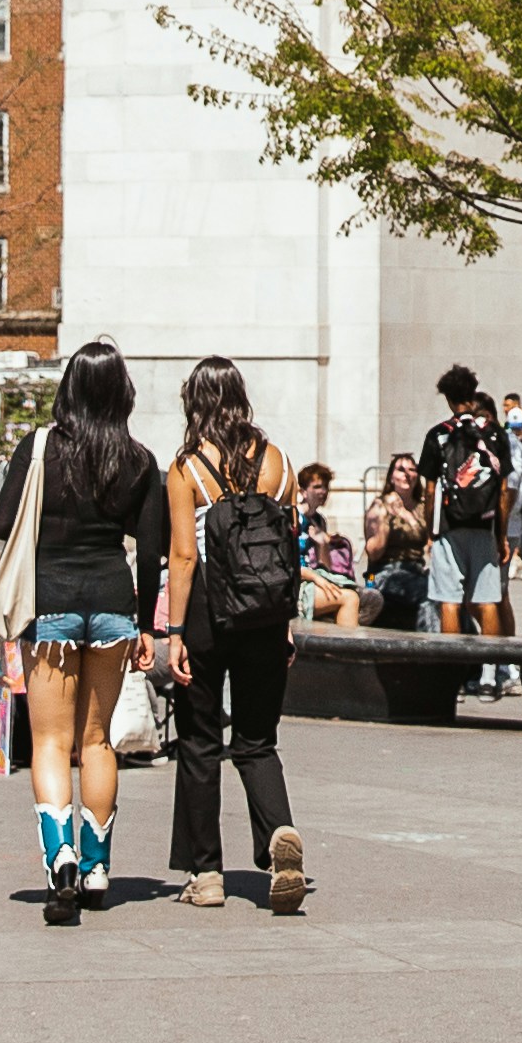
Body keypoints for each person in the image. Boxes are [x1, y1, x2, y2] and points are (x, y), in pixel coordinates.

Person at [0, 339, 161, 923]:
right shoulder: (138, 460)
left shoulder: (40, 447)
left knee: (50, 742)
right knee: (97, 741)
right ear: (122, 392)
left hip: (52, 603)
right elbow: (154, 549)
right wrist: (145, 623)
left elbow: (1, 521)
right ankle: (97, 866)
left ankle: (60, 857)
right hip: (114, 600)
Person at [152, 354, 310, 914]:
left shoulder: (187, 468)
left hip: (206, 618)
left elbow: (183, 554)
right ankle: (278, 834)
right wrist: (286, 624)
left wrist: (174, 633)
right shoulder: (278, 463)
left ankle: (207, 872)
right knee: (258, 740)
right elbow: (288, 552)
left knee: (198, 743)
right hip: (265, 616)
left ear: (194, 404)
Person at [417, 364, 522, 675]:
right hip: (485, 525)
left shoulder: (438, 435)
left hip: (449, 527)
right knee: (487, 598)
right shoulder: (494, 435)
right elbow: (504, 491)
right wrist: (501, 535)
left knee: (448, 600)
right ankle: (491, 674)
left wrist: (430, 531)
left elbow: (430, 490)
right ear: (473, 394)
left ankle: (453, 672)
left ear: (449, 399)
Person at [360, 452, 432, 628]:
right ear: (391, 478)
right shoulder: (380, 505)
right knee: (429, 594)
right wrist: (386, 521)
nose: (407, 474)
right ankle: (432, 649)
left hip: (416, 570)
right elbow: (374, 553)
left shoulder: (422, 507)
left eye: (412, 470)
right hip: (384, 572)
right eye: (400, 470)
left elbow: (431, 543)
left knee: (448, 593)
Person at [294, 462, 368, 624]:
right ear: (302, 491)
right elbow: (287, 564)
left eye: (326, 487)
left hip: (315, 579)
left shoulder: (319, 520)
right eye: (317, 487)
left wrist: (323, 544)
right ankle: (345, 648)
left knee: (368, 599)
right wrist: (316, 578)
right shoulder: (293, 518)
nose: (323, 492)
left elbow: (325, 567)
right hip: (296, 584)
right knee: (350, 599)